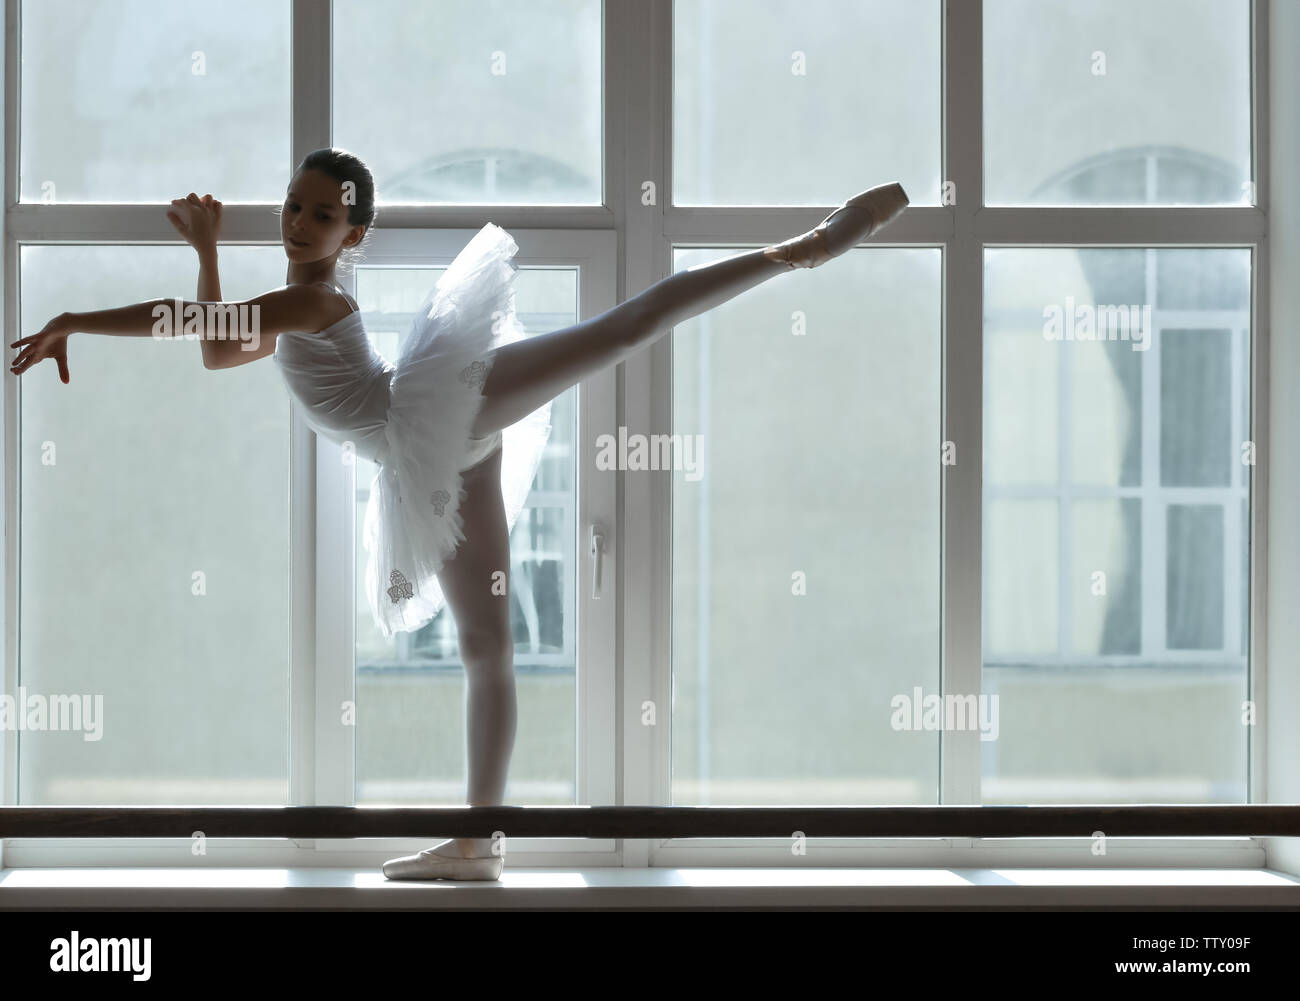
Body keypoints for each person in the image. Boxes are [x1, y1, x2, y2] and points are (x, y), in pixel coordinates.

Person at [8, 148, 909, 880]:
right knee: (488, 647)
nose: (298, 221)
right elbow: (216, 350)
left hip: (439, 414)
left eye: (323, 213)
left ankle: (802, 249)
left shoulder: (316, 297)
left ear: (353, 230)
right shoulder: (286, 304)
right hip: (430, 453)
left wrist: (77, 316)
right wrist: (206, 249)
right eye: (294, 205)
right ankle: (480, 838)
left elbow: (194, 328)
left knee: (619, 332)